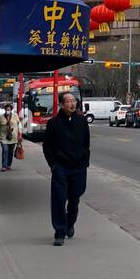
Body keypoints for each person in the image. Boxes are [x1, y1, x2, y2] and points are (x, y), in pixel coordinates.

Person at [41, 91, 90, 246]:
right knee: (59, 199)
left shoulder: (82, 121)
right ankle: (59, 232)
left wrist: (84, 163)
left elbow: (86, 144)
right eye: (68, 101)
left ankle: (70, 223)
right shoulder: (53, 123)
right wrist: (53, 165)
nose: (72, 104)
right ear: (62, 104)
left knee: (74, 198)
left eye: (74, 101)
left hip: (78, 167)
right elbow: (47, 146)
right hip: (60, 167)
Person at [0, 101, 21, 171]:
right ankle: (4, 166)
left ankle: (9, 165)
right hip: (3, 137)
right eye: (6, 110)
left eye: (9, 110)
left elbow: (19, 125)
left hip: (13, 137)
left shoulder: (15, 116)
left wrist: (20, 134)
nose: (7, 111)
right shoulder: (1, 117)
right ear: (4, 110)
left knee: (10, 152)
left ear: (11, 110)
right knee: (5, 151)